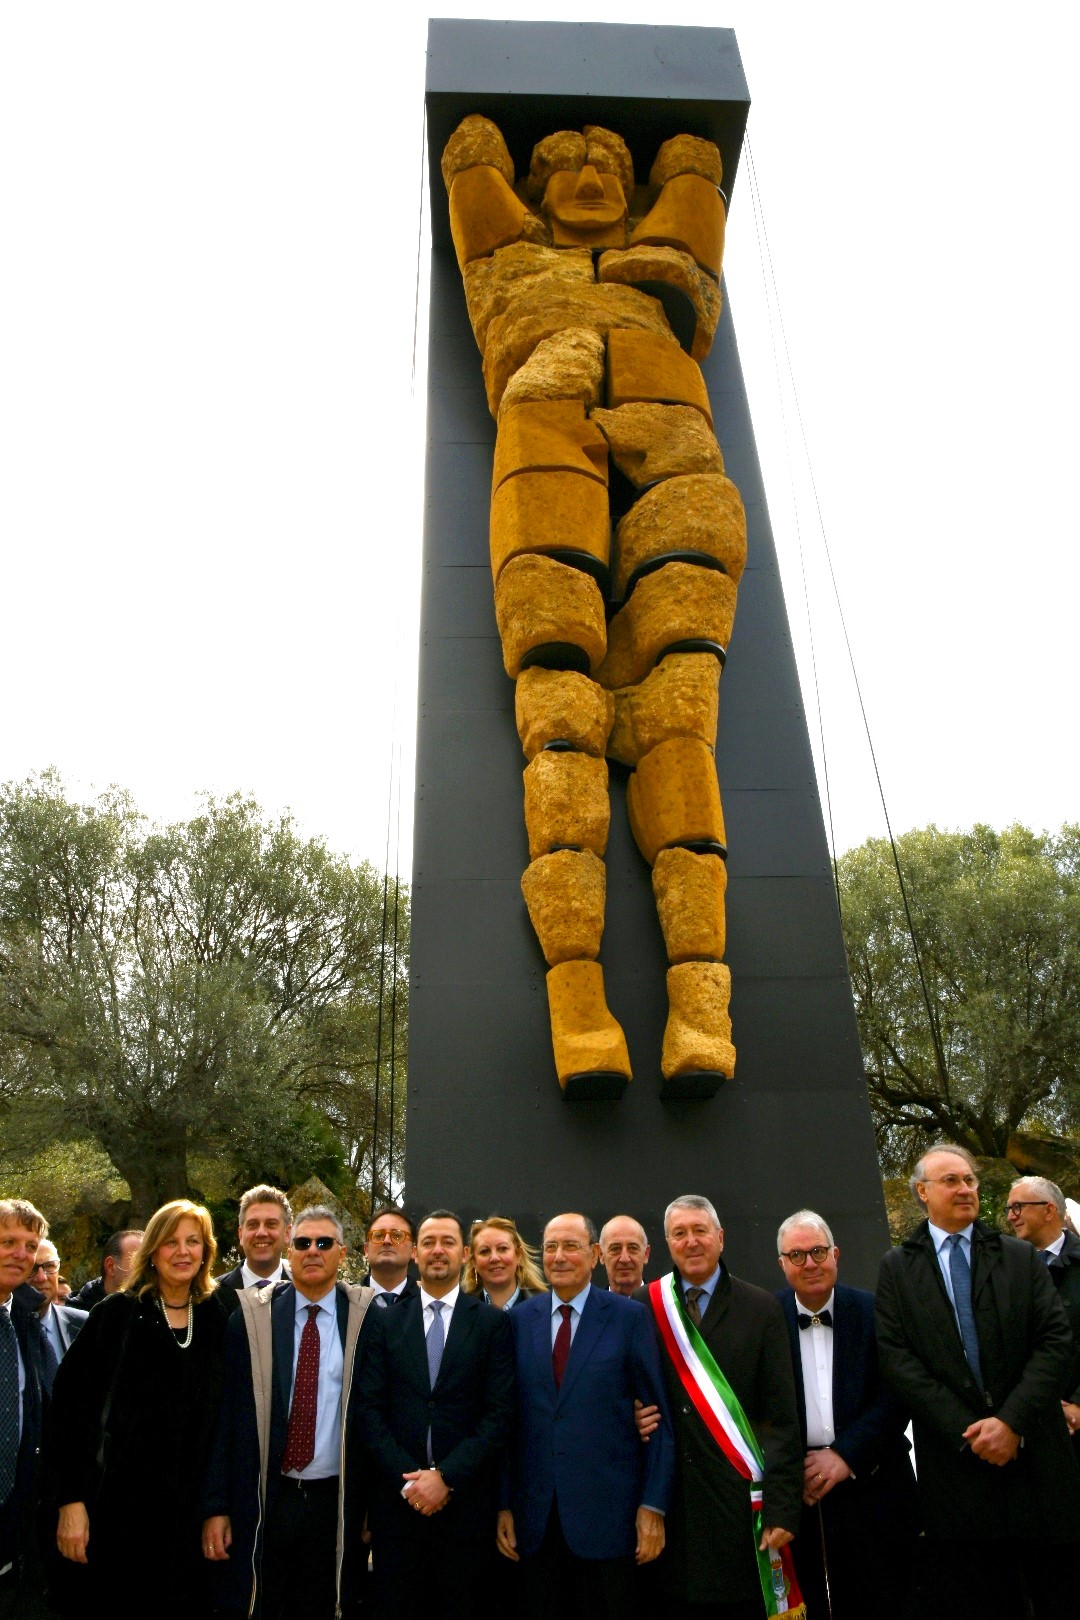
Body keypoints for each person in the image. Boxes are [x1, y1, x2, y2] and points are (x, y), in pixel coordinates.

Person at [441, 116, 741, 1101]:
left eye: (606, 165)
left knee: (679, 719)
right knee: (560, 709)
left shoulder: (669, 259)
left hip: (678, 438)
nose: (585, 177)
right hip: (545, 418)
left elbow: (696, 179)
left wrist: (678, 169)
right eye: (562, 164)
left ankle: (703, 1007)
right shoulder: (510, 260)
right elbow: (474, 157)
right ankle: (580, 1005)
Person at [876, 1142, 1080, 1617]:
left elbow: (1055, 1341)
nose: (966, 1189)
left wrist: (1010, 1423)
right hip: (958, 1475)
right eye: (952, 1181)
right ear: (922, 1192)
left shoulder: (1019, 1258)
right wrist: (970, 1432)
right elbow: (898, 1359)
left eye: (970, 1180)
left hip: (1038, 1467)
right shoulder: (897, 1269)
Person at [48, 1199, 229, 1619]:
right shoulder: (117, 1316)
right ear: (152, 1250)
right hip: (118, 1516)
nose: (183, 1252)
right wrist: (70, 1501)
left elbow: (227, 1423)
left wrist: (218, 1506)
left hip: (192, 1521)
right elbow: (68, 1412)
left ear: (206, 1251)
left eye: (193, 1241)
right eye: (171, 1242)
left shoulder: (219, 1316)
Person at [202, 1205, 373, 1620]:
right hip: (267, 1500)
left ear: (343, 1253)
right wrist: (216, 1505)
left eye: (324, 1243)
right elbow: (227, 1418)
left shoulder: (368, 1322)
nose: (312, 1251)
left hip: (334, 1503)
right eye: (302, 1243)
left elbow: (375, 1420)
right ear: (288, 1251)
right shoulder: (250, 1318)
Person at [499, 1211, 673, 1620]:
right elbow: (509, 1423)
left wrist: (653, 1506)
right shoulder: (520, 1321)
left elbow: (657, 1419)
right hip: (536, 1523)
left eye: (571, 1246)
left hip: (609, 1523)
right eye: (551, 1247)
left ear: (594, 1254)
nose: (559, 1256)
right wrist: (504, 1504)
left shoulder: (629, 1318)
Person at [640, 1194, 803, 1620]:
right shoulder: (643, 1307)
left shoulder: (761, 1307)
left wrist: (782, 1507)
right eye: (680, 1233)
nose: (691, 1242)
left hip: (738, 1510)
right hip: (670, 1508)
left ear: (721, 1238)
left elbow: (783, 1418)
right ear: (667, 1243)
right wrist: (630, 1416)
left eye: (700, 1231)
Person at [354, 1209, 515, 1619]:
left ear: (464, 1254)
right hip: (398, 1509)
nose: (437, 1251)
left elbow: (498, 1414)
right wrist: (410, 1482)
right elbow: (370, 1411)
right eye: (428, 1242)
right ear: (414, 1253)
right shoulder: (384, 1322)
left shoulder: (493, 1325)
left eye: (446, 1242)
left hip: (465, 1511)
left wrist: (446, 1478)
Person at [775, 1208, 917, 1618]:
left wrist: (845, 1456)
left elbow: (899, 1393)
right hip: (799, 1493)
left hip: (875, 1486)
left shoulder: (878, 1311)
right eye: (797, 1255)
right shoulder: (765, 1318)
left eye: (818, 1251)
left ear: (836, 1254)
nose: (810, 1263)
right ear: (782, 1265)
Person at [0, 1199, 52, 1616]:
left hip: (14, 1524)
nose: (21, 1254)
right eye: (8, 1241)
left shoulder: (26, 1322)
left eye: (30, 1245)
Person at [1006, 1173, 1080, 1444]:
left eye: (1018, 1207)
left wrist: (1078, 1406)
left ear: (1049, 1210)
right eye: (1008, 1209)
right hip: (1031, 1426)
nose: (1011, 1216)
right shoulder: (1006, 1272)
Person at [217, 1184, 293, 1292]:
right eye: (253, 1224)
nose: (261, 1233)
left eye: (271, 1224)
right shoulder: (213, 1296)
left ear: (287, 1233)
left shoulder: (307, 1289)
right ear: (241, 1235)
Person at [28, 1239, 87, 1372]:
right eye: (32, 1268)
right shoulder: (6, 1329)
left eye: (49, 1266)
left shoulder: (85, 1324)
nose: (41, 1277)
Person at [463, 1214, 547, 1309]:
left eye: (502, 1249)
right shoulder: (459, 1310)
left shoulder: (545, 1306)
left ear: (518, 1255)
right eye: (485, 1251)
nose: (494, 1258)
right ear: (474, 1261)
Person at [69, 1228, 143, 1311]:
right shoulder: (72, 1319)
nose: (149, 1269)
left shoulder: (154, 1312)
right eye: (140, 1262)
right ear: (110, 1267)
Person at [362, 1206, 415, 1306]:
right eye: (378, 1235)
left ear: (413, 1250)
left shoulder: (428, 1306)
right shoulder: (344, 1303)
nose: (387, 1241)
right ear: (366, 1249)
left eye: (397, 1236)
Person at [600, 1215, 651, 1296]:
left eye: (633, 1248)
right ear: (601, 1255)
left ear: (646, 1254)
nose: (624, 1259)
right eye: (615, 1249)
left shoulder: (663, 1306)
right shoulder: (588, 1308)